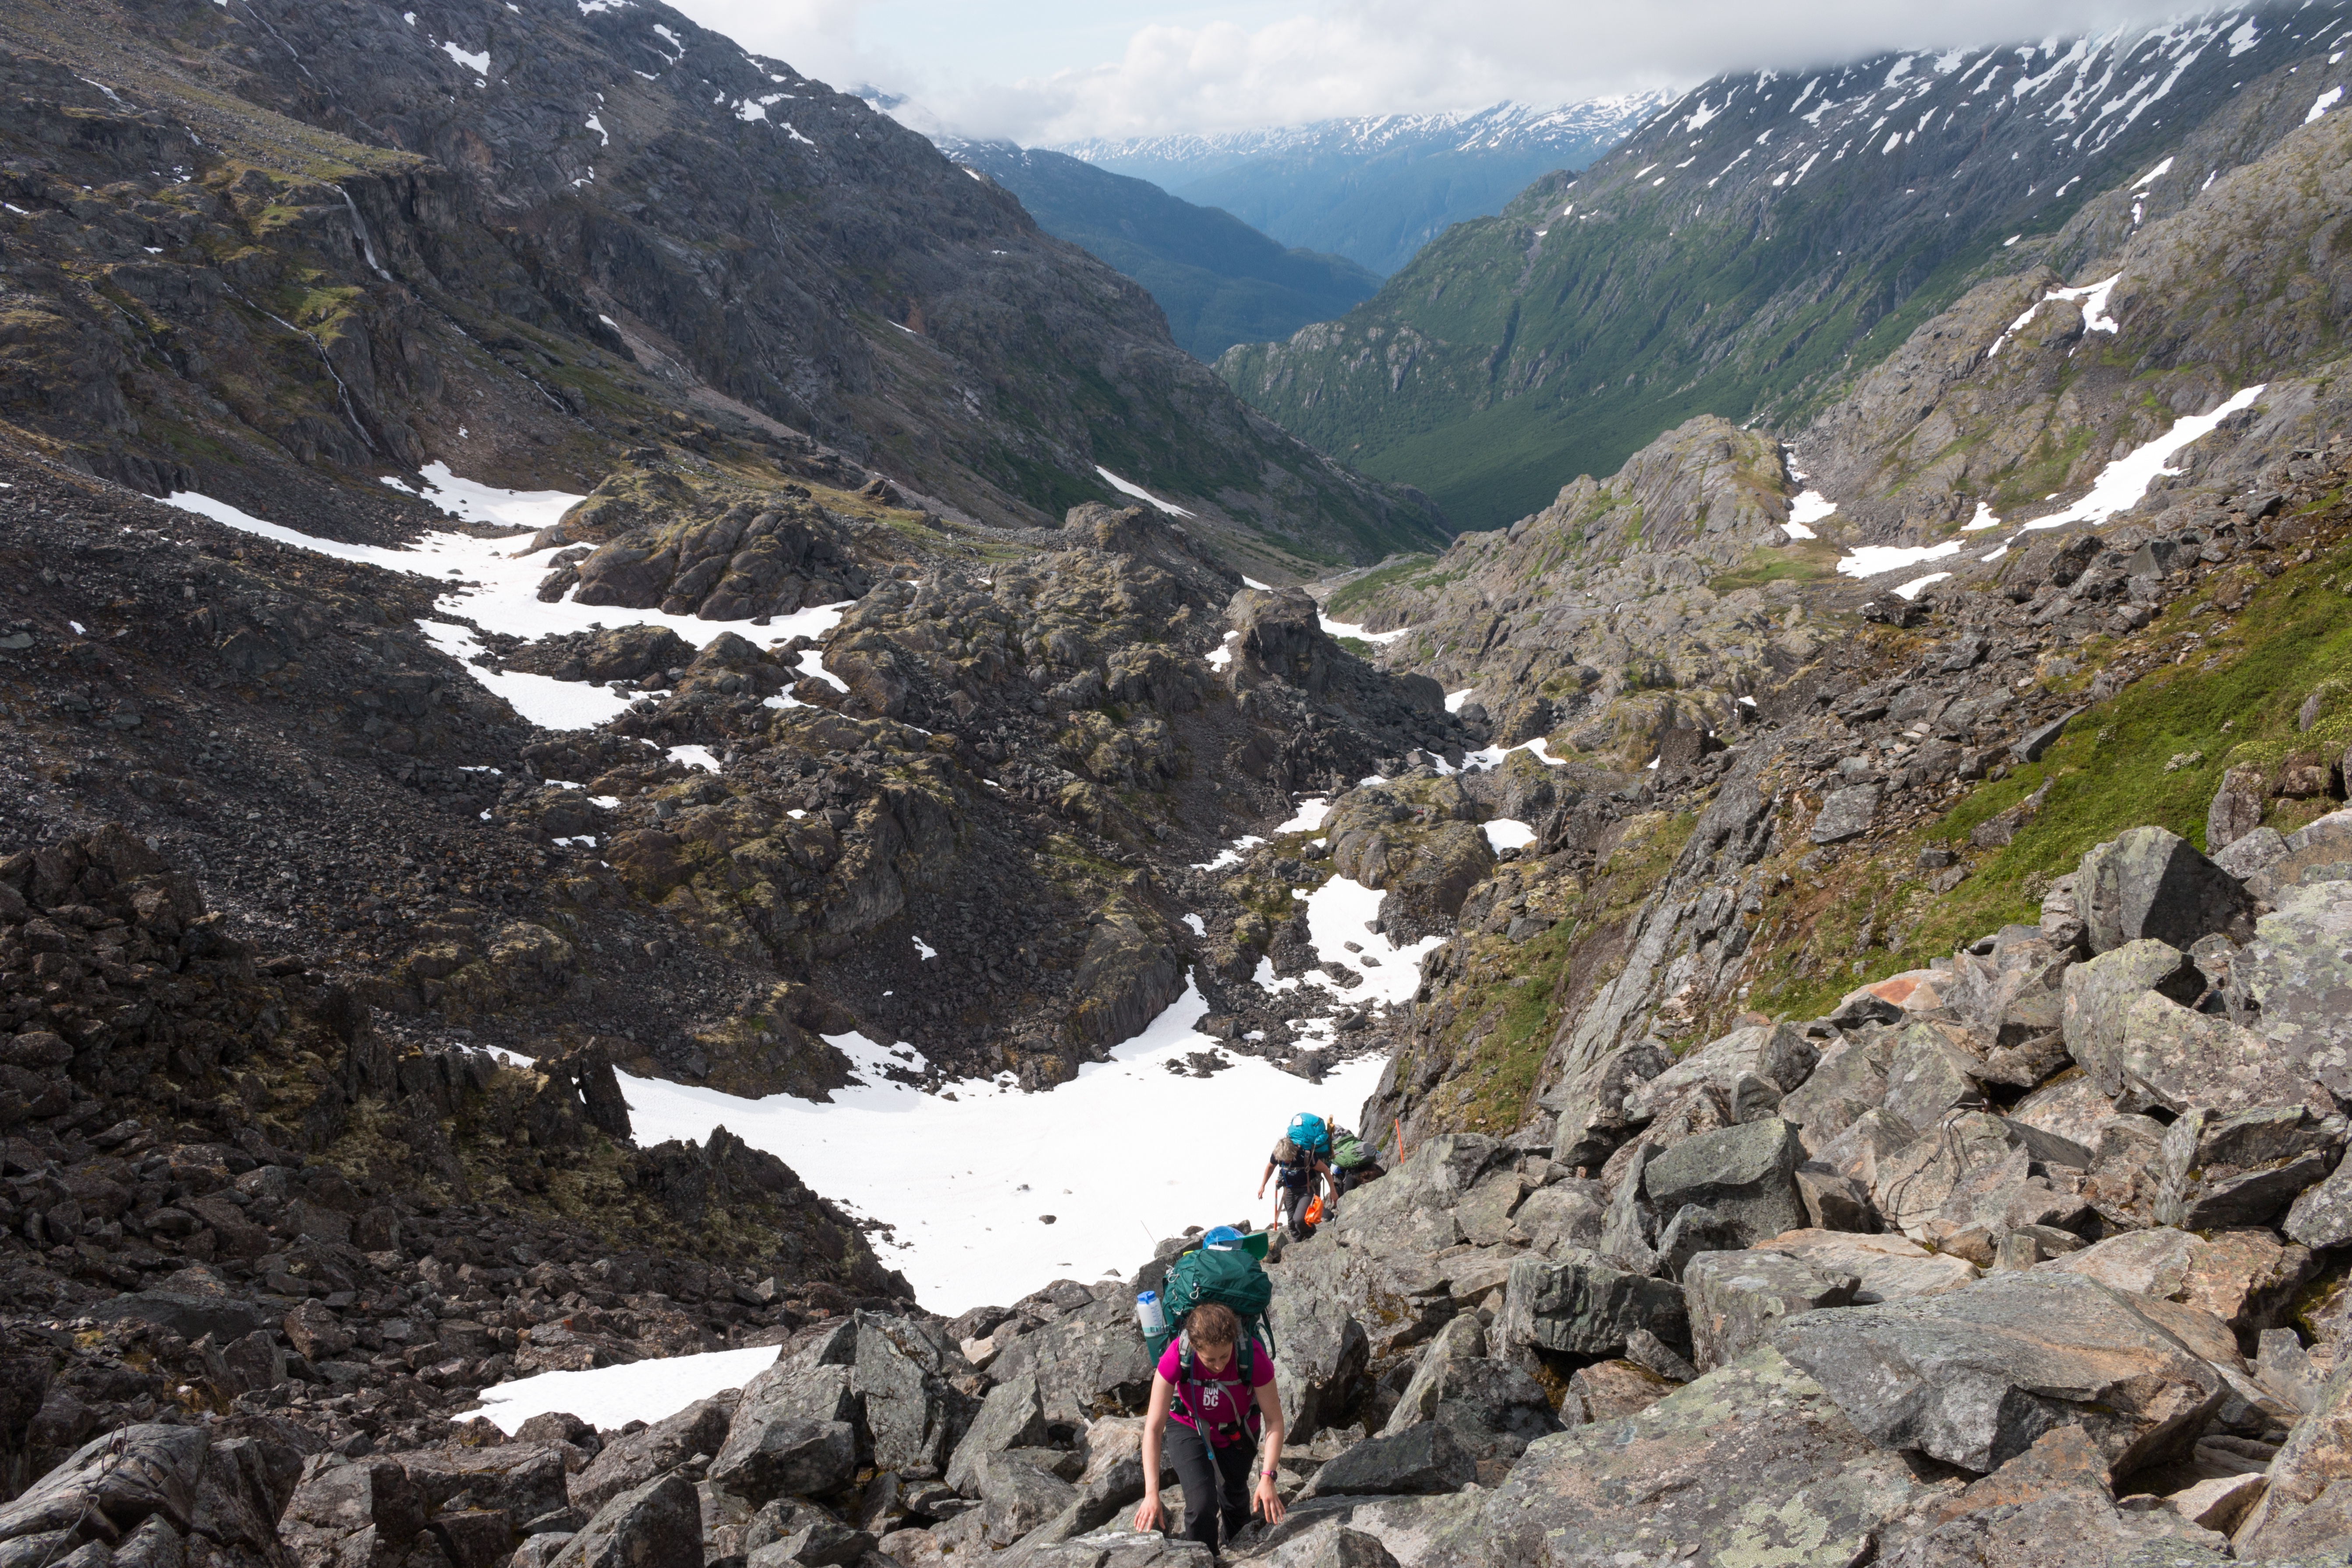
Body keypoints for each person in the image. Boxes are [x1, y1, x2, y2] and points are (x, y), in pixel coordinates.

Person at [1133, 1300, 1286, 1552]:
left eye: (1225, 1356)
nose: (1218, 1366)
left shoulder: (1253, 1355)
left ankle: (1239, 1553)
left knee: (1235, 1500)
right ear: (1194, 1346)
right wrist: (1151, 1493)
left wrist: (1268, 1476)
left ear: (1234, 1341)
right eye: (1209, 1359)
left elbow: (1274, 1420)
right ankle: (1201, 1558)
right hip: (1188, 1426)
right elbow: (1152, 1429)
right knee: (1201, 1505)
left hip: (1237, 1430)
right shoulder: (1176, 1355)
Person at [1257, 1137, 1330, 1237]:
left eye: (1288, 1158)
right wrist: (1263, 1186)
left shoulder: (1305, 1155)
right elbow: (1270, 1167)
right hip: (1290, 1190)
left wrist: (1333, 1192)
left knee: (1299, 1220)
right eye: (1284, 1159)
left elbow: (1325, 1170)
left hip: (1307, 1190)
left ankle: (1311, 1237)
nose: (1286, 1161)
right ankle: (1298, 1245)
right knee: (1292, 1224)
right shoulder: (1278, 1154)